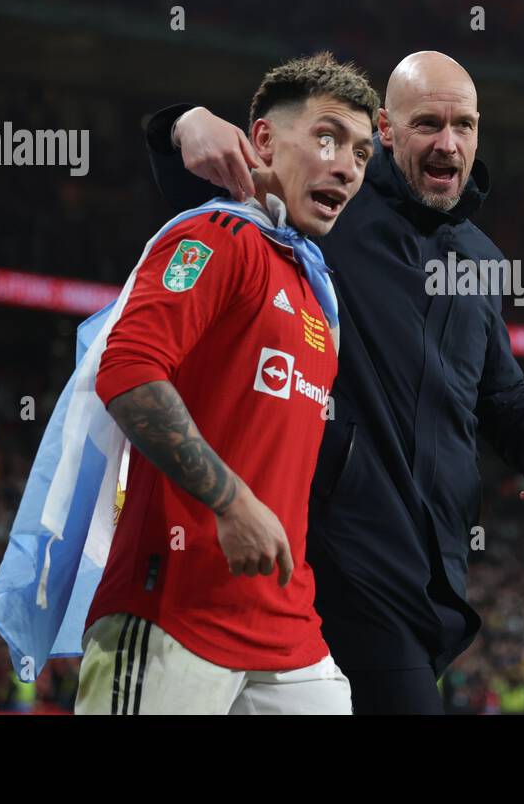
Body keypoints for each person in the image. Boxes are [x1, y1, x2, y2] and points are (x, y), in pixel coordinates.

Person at [143, 50, 524, 713]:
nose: (449, 143)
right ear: (385, 128)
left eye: (464, 126)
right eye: (428, 125)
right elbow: (217, 190)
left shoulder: (479, 258)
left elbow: (499, 391)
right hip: (338, 553)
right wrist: (184, 123)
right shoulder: (332, 206)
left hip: (432, 566)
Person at [69, 52, 379, 714]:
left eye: (361, 152)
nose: (348, 165)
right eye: (328, 138)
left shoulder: (317, 292)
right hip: (171, 613)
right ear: (263, 141)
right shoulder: (216, 236)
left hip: (290, 632)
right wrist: (233, 504)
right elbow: (128, 370)